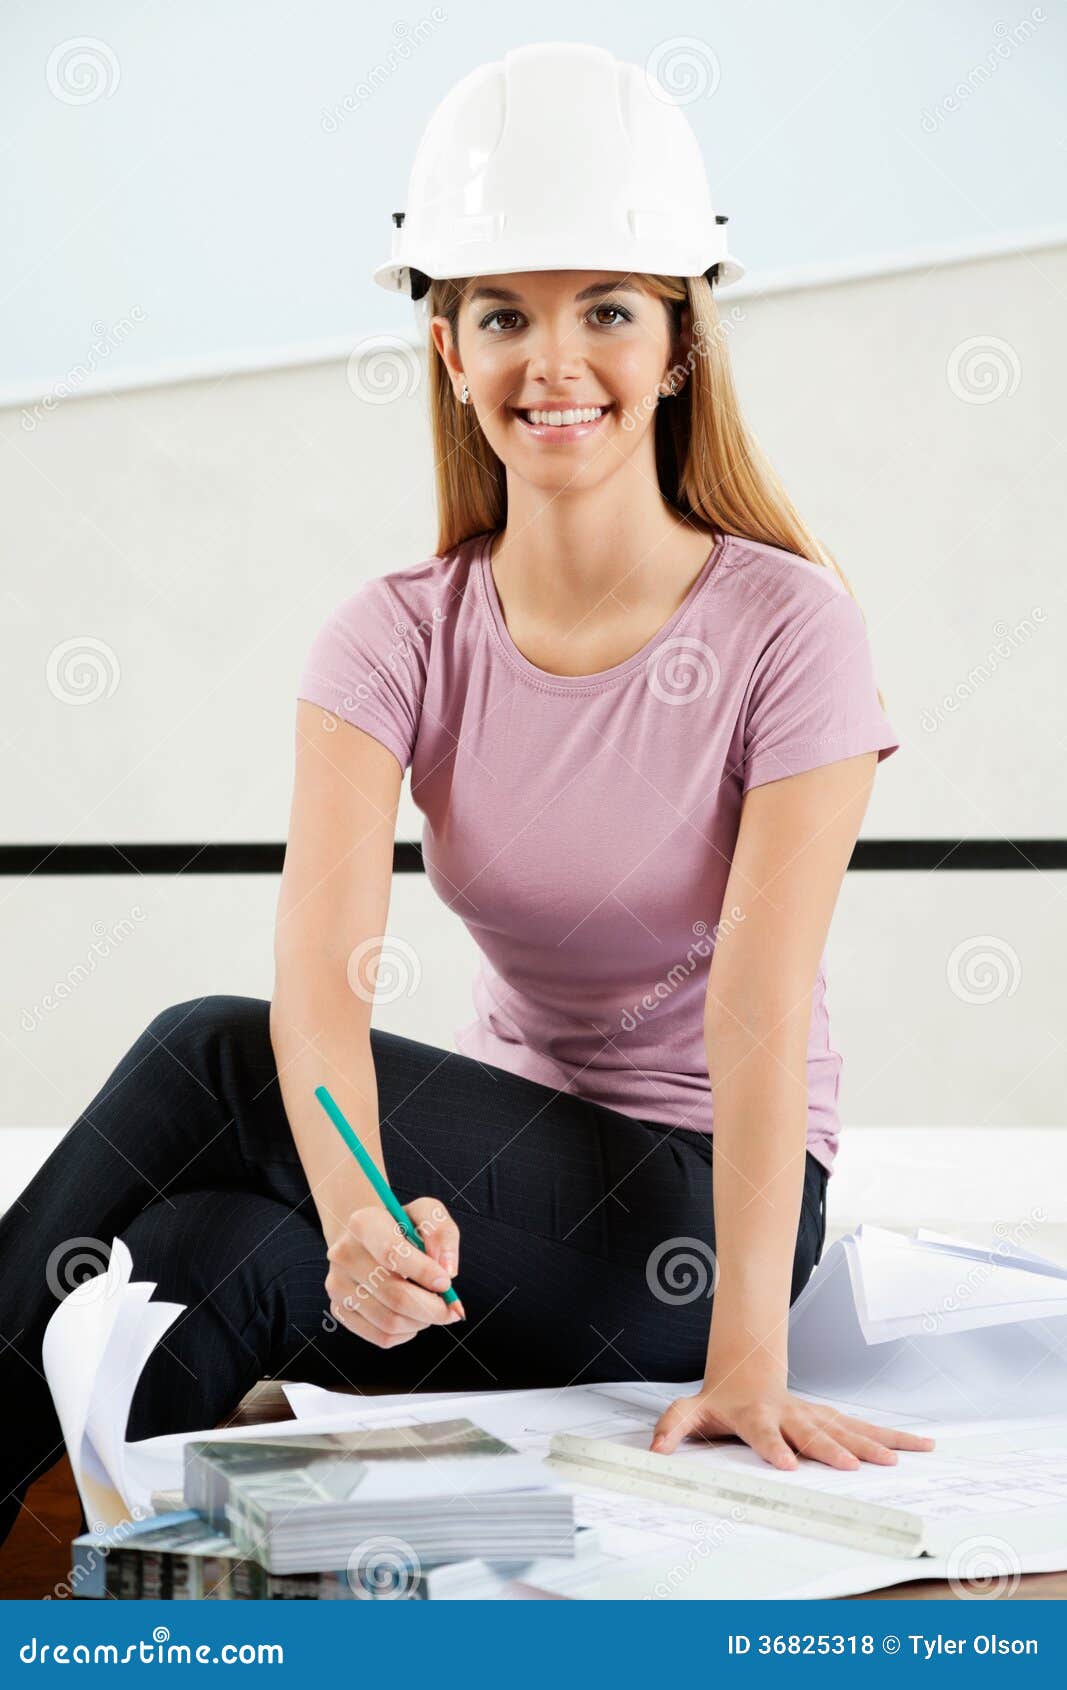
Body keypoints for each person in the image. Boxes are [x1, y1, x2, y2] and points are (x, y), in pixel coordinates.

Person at [0, 42, 933, 1552]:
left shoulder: (790, 627)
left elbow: (755, 1008)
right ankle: (107, 1573)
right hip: (485, 1209)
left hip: (694, 1222)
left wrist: (746, 1351)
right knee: (207, 1242)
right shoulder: (394, 634)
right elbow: (322, 980)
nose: (553, 363)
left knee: (199, 1054)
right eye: (503, 315)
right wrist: (364, 1220)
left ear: (681, 344)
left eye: (609, 312)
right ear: (446, 347)